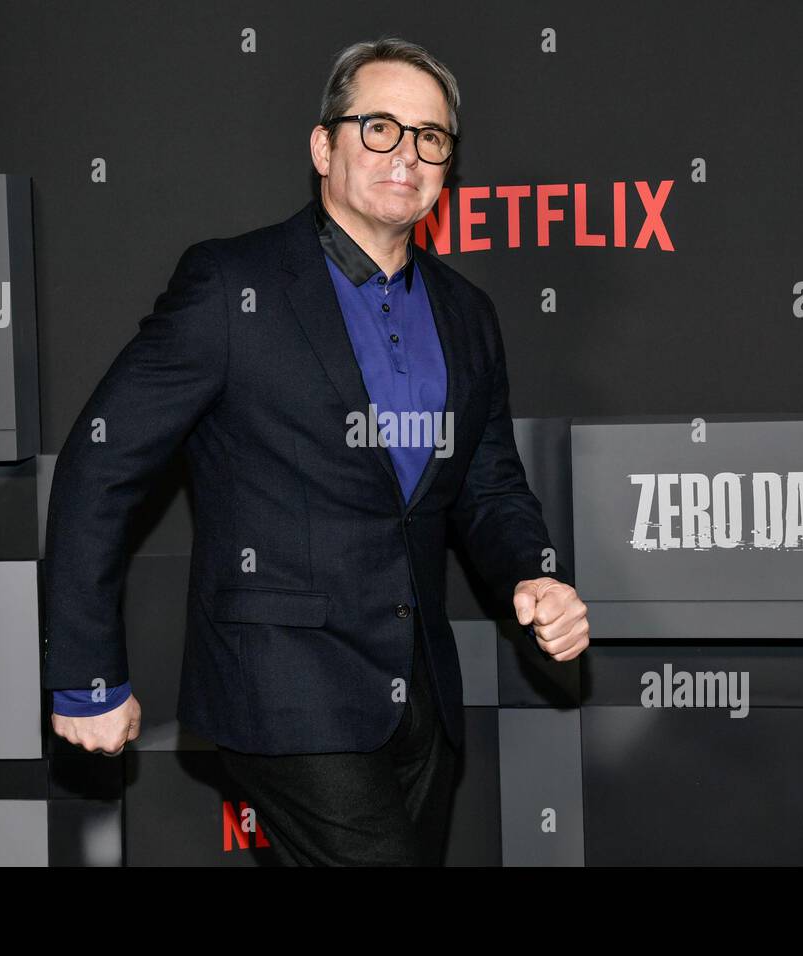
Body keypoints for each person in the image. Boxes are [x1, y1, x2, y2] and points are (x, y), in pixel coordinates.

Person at [42, 36, 589, 865]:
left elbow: (488, 485)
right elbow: (101, 460)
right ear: (323, 145)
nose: (406, 153)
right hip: (284, 687)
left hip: (422, 702)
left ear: (447, 166)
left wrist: (533, 572)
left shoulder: (467, 313)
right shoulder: (232, 287)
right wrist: (86, 670)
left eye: (429, 138)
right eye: (378, 128)